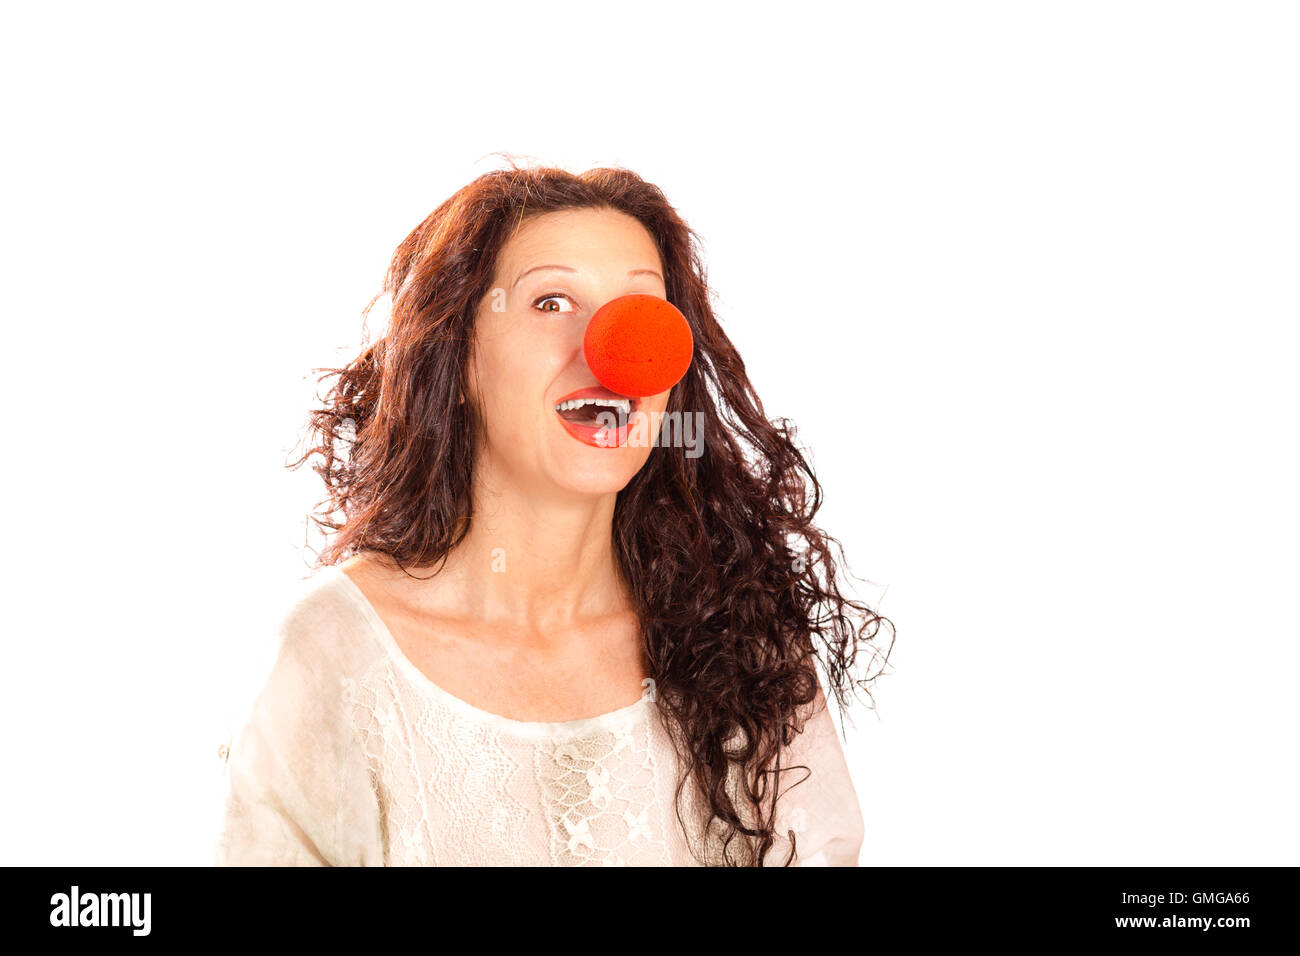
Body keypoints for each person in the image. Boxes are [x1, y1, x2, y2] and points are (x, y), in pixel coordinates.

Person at [214, 162, 893, 866]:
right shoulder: (335, 649)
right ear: (459, 361)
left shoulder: (740, 637)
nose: (614, 350)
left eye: (642, 308)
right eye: (551, 302)